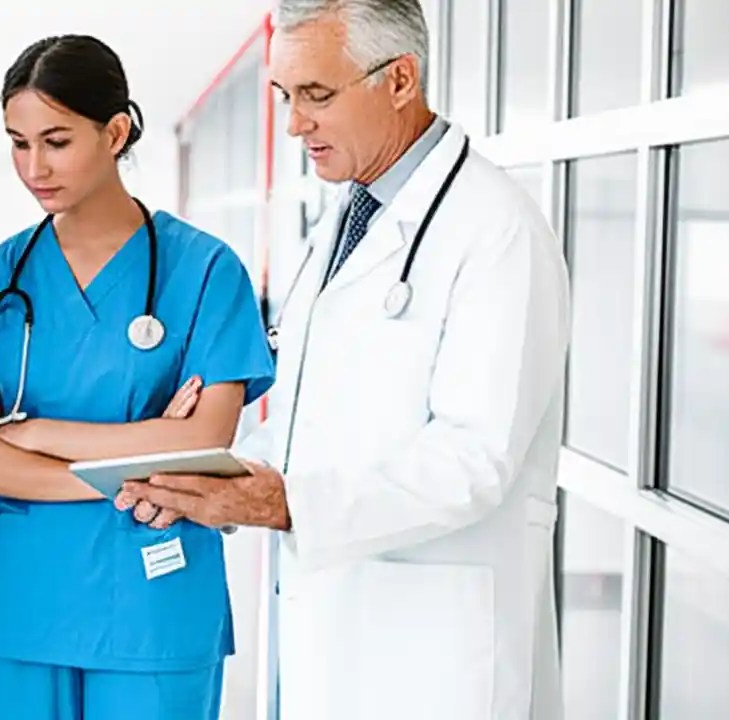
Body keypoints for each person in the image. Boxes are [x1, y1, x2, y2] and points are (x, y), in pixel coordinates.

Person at [127, 1, 571, 718]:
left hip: (434, 651)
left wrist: (286, 501)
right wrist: (217, 470)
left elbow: (477, 458)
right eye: (283, 96)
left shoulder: (497, 230)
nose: (294, 123)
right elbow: (315, 416)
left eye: (317, 95)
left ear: (400, 79)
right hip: (339, 621)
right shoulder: (348, 214)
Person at [0, 34, 275, 720]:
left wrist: (32, 435)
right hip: (21, 601)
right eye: (18, 143)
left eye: (56, 141)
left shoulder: (205, 270)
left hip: (153, 597)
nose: (34, 167)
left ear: (115, 132)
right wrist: (126, 464)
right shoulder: (0, 276)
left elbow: (205, 439)